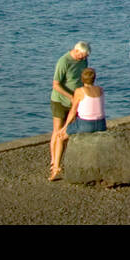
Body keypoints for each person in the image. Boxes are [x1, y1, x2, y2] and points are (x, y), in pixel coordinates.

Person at [51, 68, 106, 179]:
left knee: (60, 137)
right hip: (101, 123)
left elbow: (73, 111)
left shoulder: (80, 91)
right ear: (94, 78)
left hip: (86, 124)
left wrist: (64, 127)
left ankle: (56, 168)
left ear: (82, 79)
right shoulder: (100, 89)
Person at [49, 41, 90, 178]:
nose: (84, 58)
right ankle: (54, 163)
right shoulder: (64, 61)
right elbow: (56, 85)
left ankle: (60, 160)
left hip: (75, 102)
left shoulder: (83, 61)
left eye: (86, 56)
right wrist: (70, 96)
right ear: (76, 51)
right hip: (60, 101)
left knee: (67, 132)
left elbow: (83, 80)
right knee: (58, 130)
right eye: (82, 55)